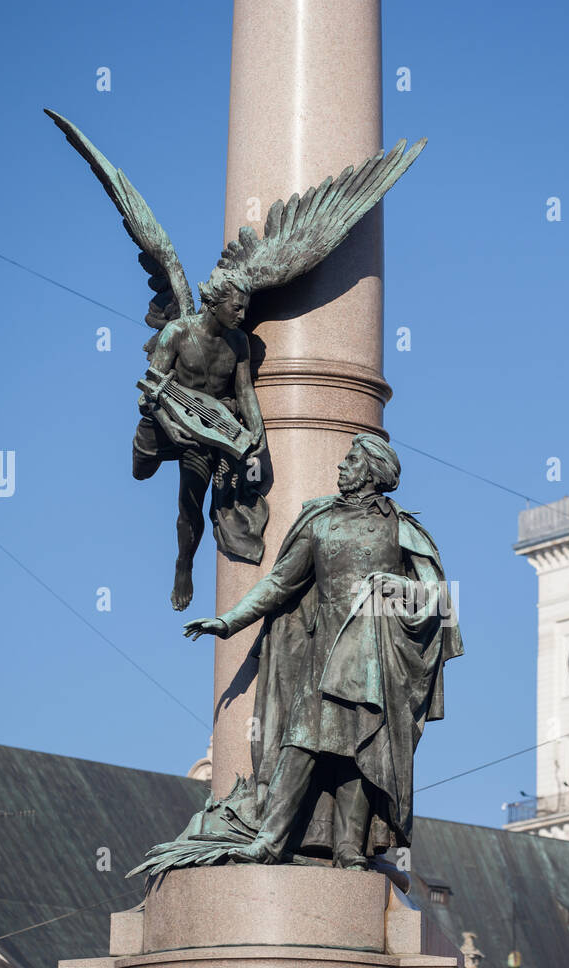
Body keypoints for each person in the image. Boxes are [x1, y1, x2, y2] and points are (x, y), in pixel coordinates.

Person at [183, 433, 462, 868]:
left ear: (371, 470)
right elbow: (280, 583)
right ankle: (271, 840)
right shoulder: (320, 520)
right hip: (323, 650)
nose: (341, 466)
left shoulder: (400, 527)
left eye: (351, 459)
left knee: (359, 747)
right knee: (302, 742)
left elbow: (438, 597)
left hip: (374, 653)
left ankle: (350, 849)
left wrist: (394, 586)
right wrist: (228, 621)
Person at [133, 274, 268, 610]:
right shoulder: (177, 333)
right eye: (236, 308)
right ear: (214, 303)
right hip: (167, 421)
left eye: (245, 309)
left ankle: (184, 564)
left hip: (206, 431)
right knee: (140, 469)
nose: (242, 315)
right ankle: (149, 448)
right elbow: (150, 388)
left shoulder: (238, 343)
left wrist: (257, 433)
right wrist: (166, 421)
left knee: (190, 504)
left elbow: (244, 391)